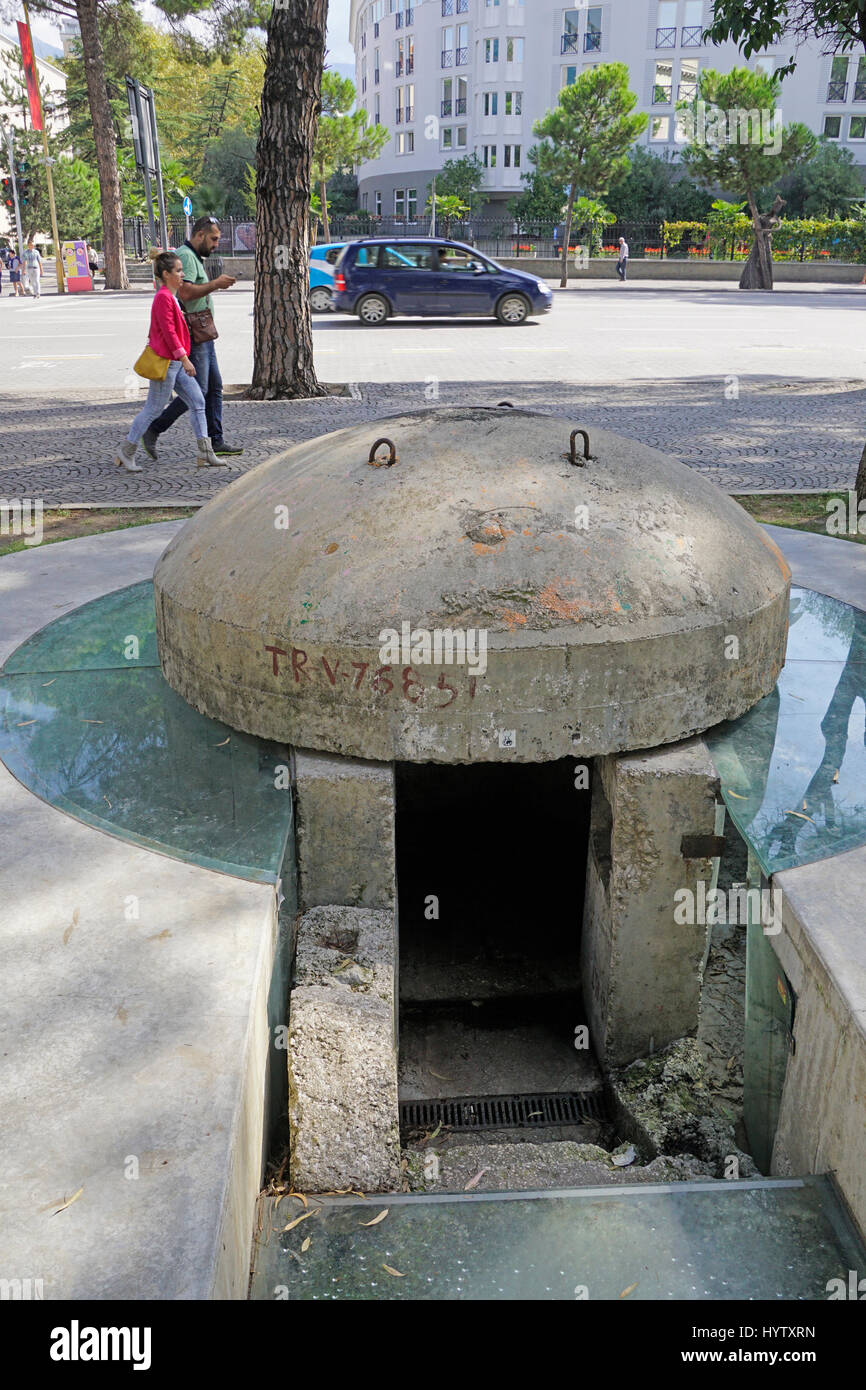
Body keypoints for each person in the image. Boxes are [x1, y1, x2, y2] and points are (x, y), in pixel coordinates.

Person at [116, 247, 226, 473]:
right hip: (168, 362)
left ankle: (205, 452)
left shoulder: (170, 297)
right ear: (166, 274)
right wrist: (185, 358)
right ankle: (126, 450)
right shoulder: (164, 298)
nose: (182, 274)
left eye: (182, 270)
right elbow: (168, 332)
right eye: (178, 271)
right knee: (154, 409)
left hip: (174, 364)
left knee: (197, 402)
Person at [140, 216, 241, 460]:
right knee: (200, 390)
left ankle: (215, 441)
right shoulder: (185, 255)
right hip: (195, 333)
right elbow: (184, 291)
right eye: (214, 238)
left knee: (214, 387)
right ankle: (154, 429)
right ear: (199, 235)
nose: (217, 243)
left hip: (204, 331)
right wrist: (216, 284)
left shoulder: (194, 256)